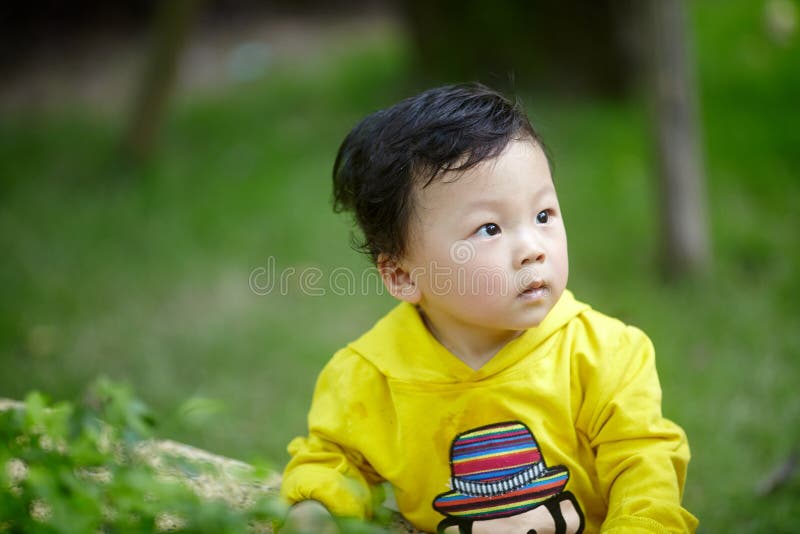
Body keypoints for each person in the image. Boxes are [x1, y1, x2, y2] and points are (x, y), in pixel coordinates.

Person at [280, 83, 698, 533]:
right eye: (490, 228)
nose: (532, 249)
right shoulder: (370, 379)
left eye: (543, 215)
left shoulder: (604, 355)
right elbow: (335, 461)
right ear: (402, 275)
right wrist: (315, 510)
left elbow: (644, 465)